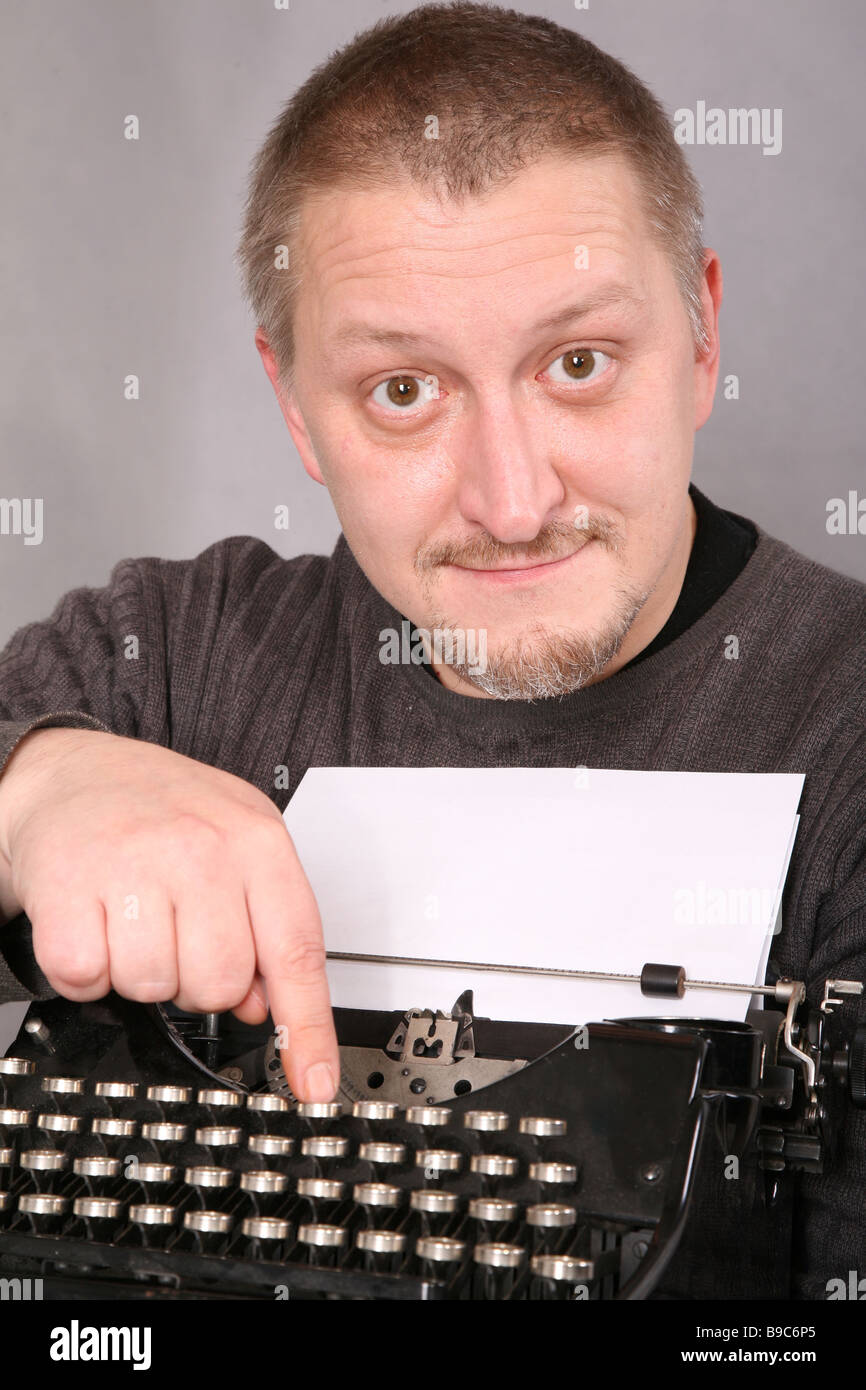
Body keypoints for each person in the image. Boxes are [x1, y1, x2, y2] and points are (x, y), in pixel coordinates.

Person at [0, 2, 863, 1298]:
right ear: (295, 407)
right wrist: (36, 784)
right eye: (403, 390)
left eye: (577, 361)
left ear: (700, 338)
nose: (511, 501)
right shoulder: (169, 653)